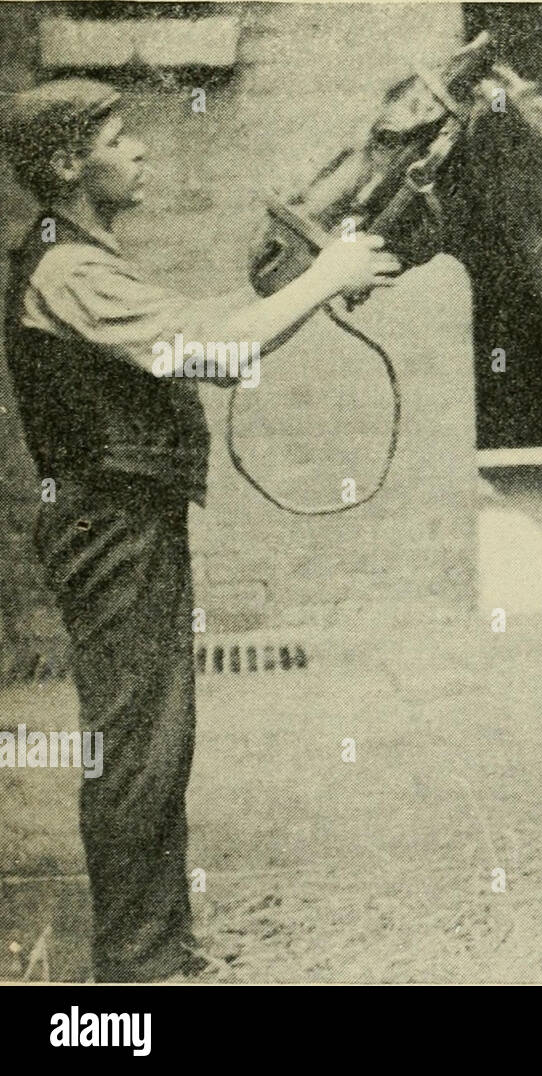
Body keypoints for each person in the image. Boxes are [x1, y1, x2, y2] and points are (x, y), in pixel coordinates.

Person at [1, 78, 400, 981]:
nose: (138, 150)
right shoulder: (66, 270)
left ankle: (162, 948)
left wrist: (309, 284)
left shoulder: (83, 257)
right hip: (110, 529)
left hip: (129, 521)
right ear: (68, 165)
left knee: (156, 739)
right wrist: (329, 277)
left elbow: (219, 337)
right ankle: (138, 969)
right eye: (116, 137)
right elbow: (218, 352)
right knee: (137, 745)